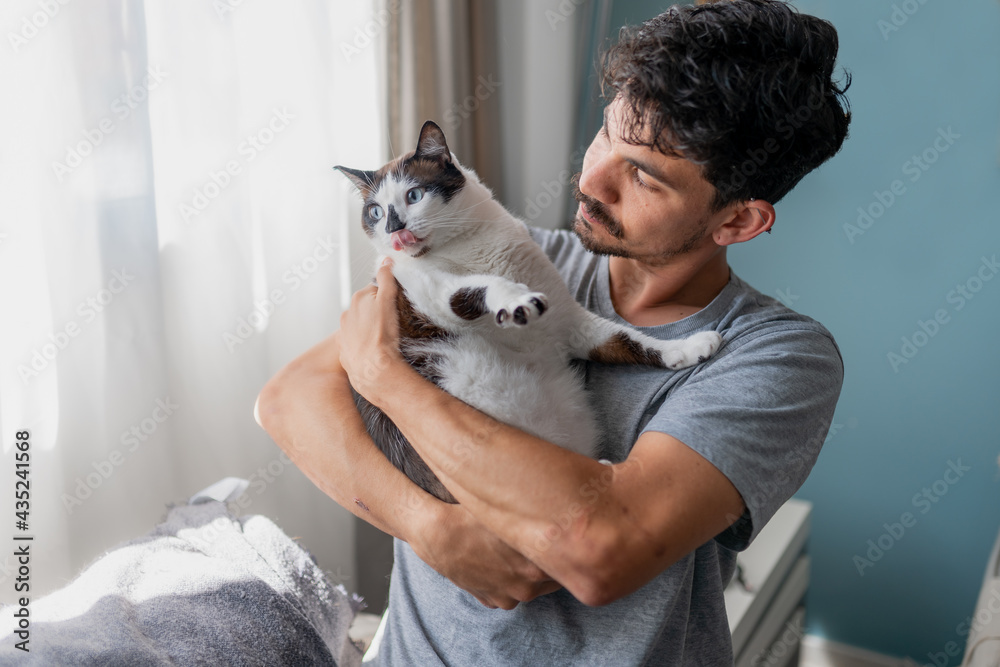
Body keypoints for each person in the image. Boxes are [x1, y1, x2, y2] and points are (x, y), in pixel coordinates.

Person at [255, 0, 851, 664]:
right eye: (606, 134)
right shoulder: (511, 258)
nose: (590, 178)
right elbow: (288, 399)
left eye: (643, 174)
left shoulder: (778, 357)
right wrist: (431, 527)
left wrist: (382, 375)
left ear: (737, 222)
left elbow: (595, 549)